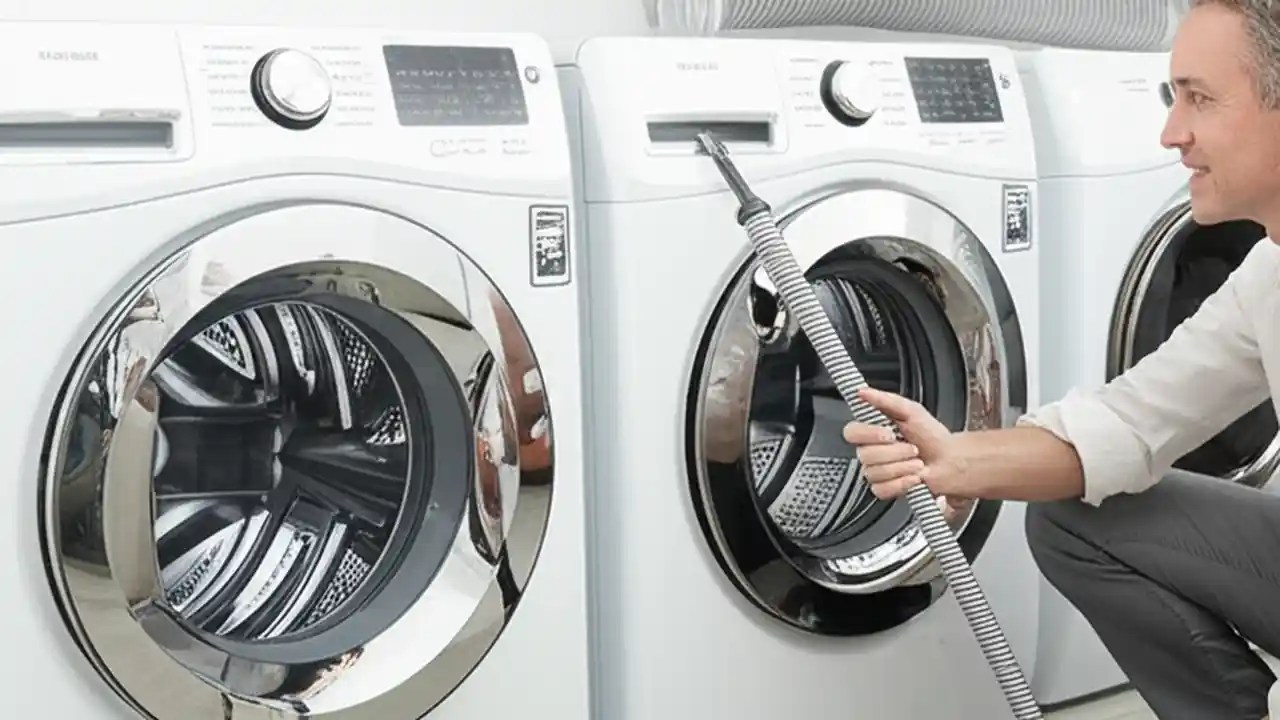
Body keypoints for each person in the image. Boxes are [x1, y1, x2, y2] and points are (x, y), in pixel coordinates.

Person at [841, 1, 1280, 718]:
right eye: (1172, 98)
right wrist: (952, 459)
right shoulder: (1268, 272)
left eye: (1199, 99)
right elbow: (1129, 422)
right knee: (1074, 518)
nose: (1171, 133)